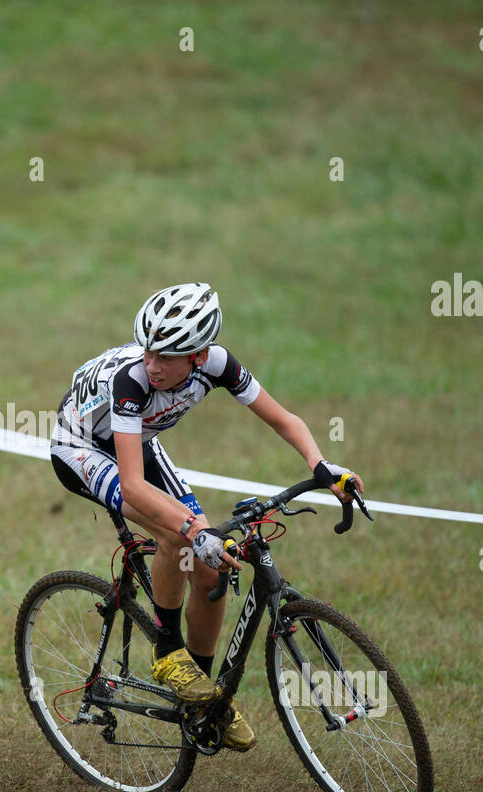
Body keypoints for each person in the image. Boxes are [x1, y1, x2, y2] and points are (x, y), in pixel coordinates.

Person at [49, 282, 363, 750]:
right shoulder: (133, 381)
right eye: (149, 351)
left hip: (138, 440)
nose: (152, 364)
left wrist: (324, 469)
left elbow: (282, 418)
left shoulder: (217, 364)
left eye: (167, 357)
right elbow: (134, 486)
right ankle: (168, 653)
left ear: (198, 356)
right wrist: (193, 529)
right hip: (81, 448)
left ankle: (202, 697)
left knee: (212, 563)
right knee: (178, 532)